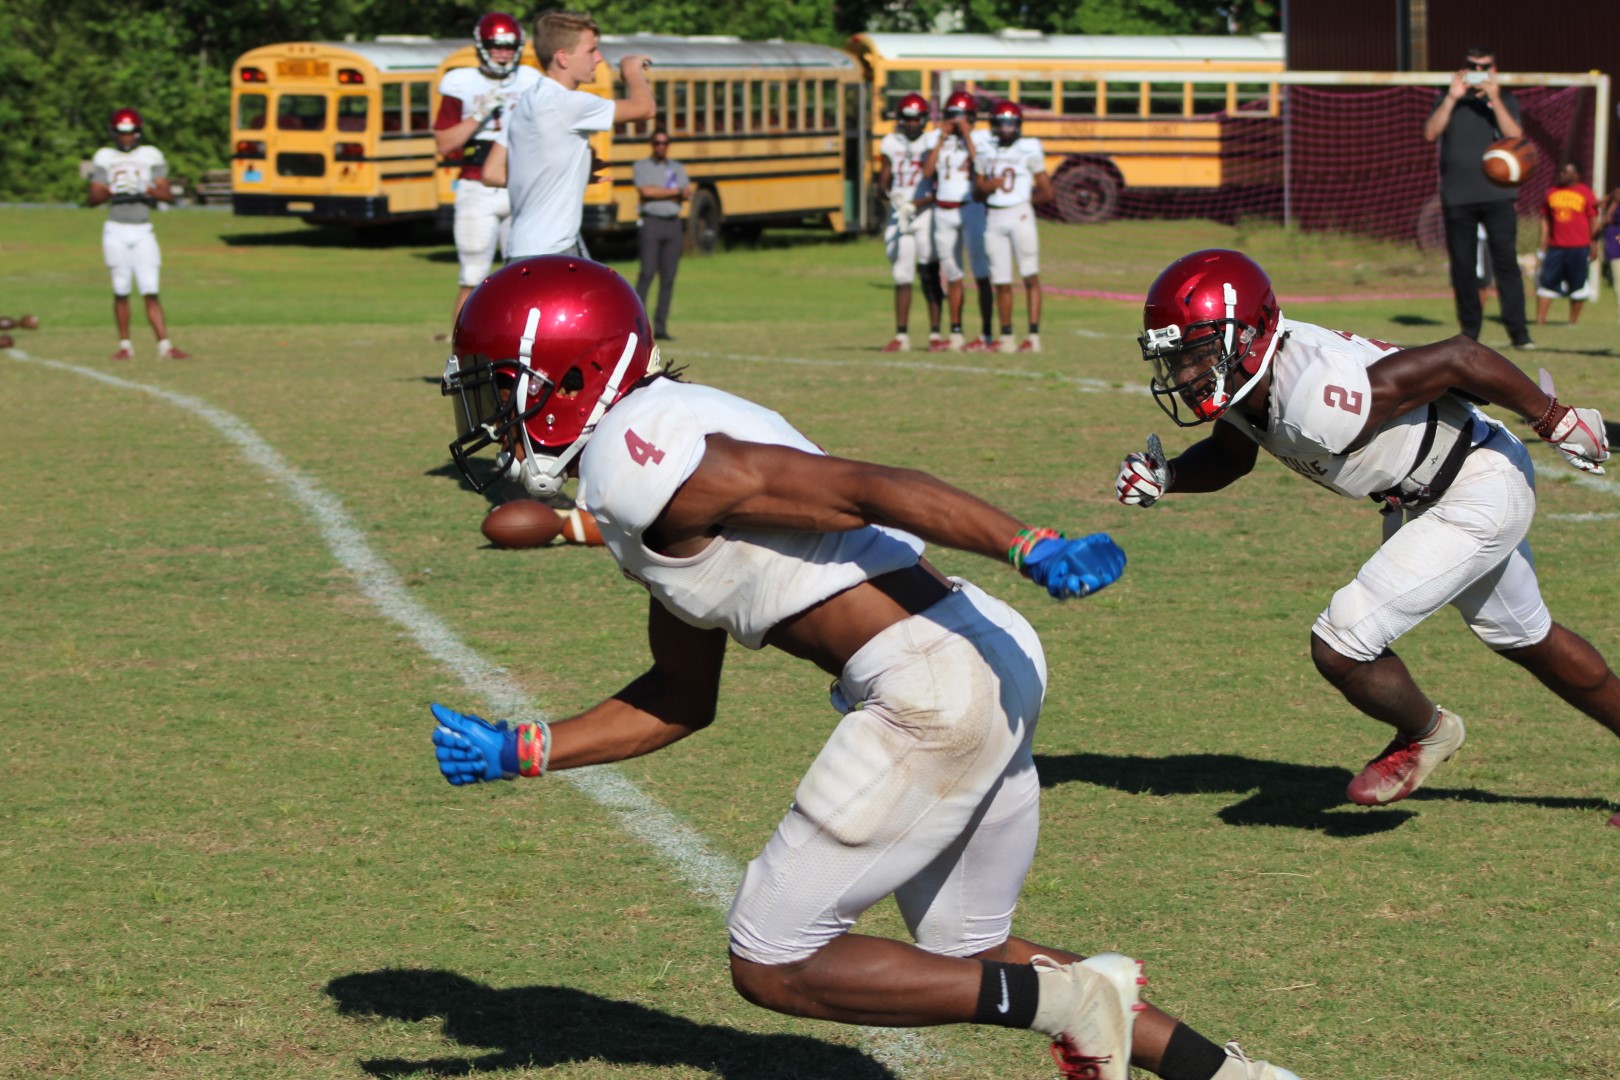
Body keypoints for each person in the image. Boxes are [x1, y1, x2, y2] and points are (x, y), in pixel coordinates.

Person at [432, 256, 1301, 1080]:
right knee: (972, 953)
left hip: (930, 685)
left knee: (770, 959)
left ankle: (1076, 1004)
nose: (489, 416)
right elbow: (682, 694)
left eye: (500, 388)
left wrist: (1027, 543)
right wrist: (528, 749)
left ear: (570, 379)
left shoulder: (635, 456)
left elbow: (862, 487)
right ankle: (1230, 1073)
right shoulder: (645, 463)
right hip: (976, 652)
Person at [1114, 249, 1620, 827]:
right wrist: (1170, 476)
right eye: (1178, 358)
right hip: (1432, 488)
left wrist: (1552, 417)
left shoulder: (1319, 396)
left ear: (1248, 336)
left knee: (1341, 643)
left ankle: (1426, 733)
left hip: (1473, 484)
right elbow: (1232, 457)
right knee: (1529, 639)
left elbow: (1462, 356)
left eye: (1199, 354)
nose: (1185, 375)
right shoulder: (1248, 378)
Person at [481, 10, 654, 258]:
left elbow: (491, 173)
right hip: (553, 250)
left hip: (520, 247)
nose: (599, 59)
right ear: (563, 57)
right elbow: (644, 108)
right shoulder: (566, 103)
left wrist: (566, 176)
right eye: (591, 51)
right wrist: (631, 69)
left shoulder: (526, 101)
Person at [1422, 45, 1535, 350]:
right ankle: (1469, 332)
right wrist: (1452, 97)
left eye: (1484, 66)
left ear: (1493, 70)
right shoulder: (1447, 98)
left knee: (1506, 262)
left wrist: (1494, 98)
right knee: (1463, 265)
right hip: (1457, 195)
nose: (1477, 72)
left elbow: (1516, 136)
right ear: (1463, 68)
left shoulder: (1505, 98)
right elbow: (1430, 133)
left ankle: (1519, 333)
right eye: (1472, 66)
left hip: (1498, 194)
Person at [433, 12, 541, 328]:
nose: (503, 53)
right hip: (476, 187)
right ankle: (461, 351)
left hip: (519, 186)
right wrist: (477, 116)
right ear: (482, 46)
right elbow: (444, 144)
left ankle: (521, 346)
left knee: (524, 276)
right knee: (472, 276)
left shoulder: (531, 79)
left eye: (509, 47)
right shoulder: (461, 82)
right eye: (497, 46)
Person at [87, 108, 189, 361]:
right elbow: (93, 198)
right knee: (121, 288)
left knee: (150, 287)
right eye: (122, 133)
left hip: (143, 229)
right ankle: (125, 345)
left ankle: (164, 345)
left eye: (131, 133)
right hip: (115, 228)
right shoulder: (105, 156)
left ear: (138, 133)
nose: (127, 138)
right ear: (114, 133)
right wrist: (112, 189)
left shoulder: (150, 155)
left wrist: (146, 188)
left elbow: (168, 195)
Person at [975, 101, 1052, 353]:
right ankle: (1006, 336)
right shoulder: (985, 149)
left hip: (1019, 215)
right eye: (1000, 123)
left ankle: (1033, 336)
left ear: (1018, 124)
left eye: (1010, 123)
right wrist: (987, 187)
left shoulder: (1029, 148)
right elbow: (977, 192)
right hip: (994, 218)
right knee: (1001, 280)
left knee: (1029, 275)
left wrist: (1022, 202)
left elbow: (1047, 191)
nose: (1005, 128)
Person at [923, 90, 995, 352]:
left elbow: (981, 167)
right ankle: (955, 333)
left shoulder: (982, 138)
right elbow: (927, 172)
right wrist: (942, 138)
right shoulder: (936, 137)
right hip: (943, 210)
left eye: (961, 116)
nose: (955, 121)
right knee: (952, 273)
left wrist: (966, 136)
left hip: (970, 208)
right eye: (952, 115)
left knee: (981, 271)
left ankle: (986, 333)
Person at [877, 92, 941, 352]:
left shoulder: (932, 142)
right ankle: (901, 335)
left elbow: (941, 185)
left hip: (925, 213)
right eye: (908, 118)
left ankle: (935, 334)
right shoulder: (890, 143)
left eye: (916, 119)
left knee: (929, 272)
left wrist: (917, 203)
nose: (912, 124)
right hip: (900, 214)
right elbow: (884, 179)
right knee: (902, 274)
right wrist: (889, 195)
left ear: (924, 119)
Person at [632, 129, 692, 341]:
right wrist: (674, 192)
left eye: (665, 143)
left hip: (673, 224)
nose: (661, 146)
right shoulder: (642, 166)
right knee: (647, 273)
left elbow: (687, 192)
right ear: (652, 144)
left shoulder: (676, 167)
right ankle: (636, 326)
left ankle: (661, 327)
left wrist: (662, 192)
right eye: (657, 143)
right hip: (651, 223)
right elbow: (646, 192)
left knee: (668, 277)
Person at [1535, 162, 1600, 325]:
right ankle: (1540, 321)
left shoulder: (1585, 193)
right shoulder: (1551, 192)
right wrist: (1543, 245)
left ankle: (1572, 323)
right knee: (1547, 282)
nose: (1562, 174)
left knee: (1578, 284)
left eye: (1567, 172)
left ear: (1577, 175)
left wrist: (1594, 243)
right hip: (1556, 246)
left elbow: (1593, 219)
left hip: (1579, 247)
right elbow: (1545, 221)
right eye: (1561, 171)